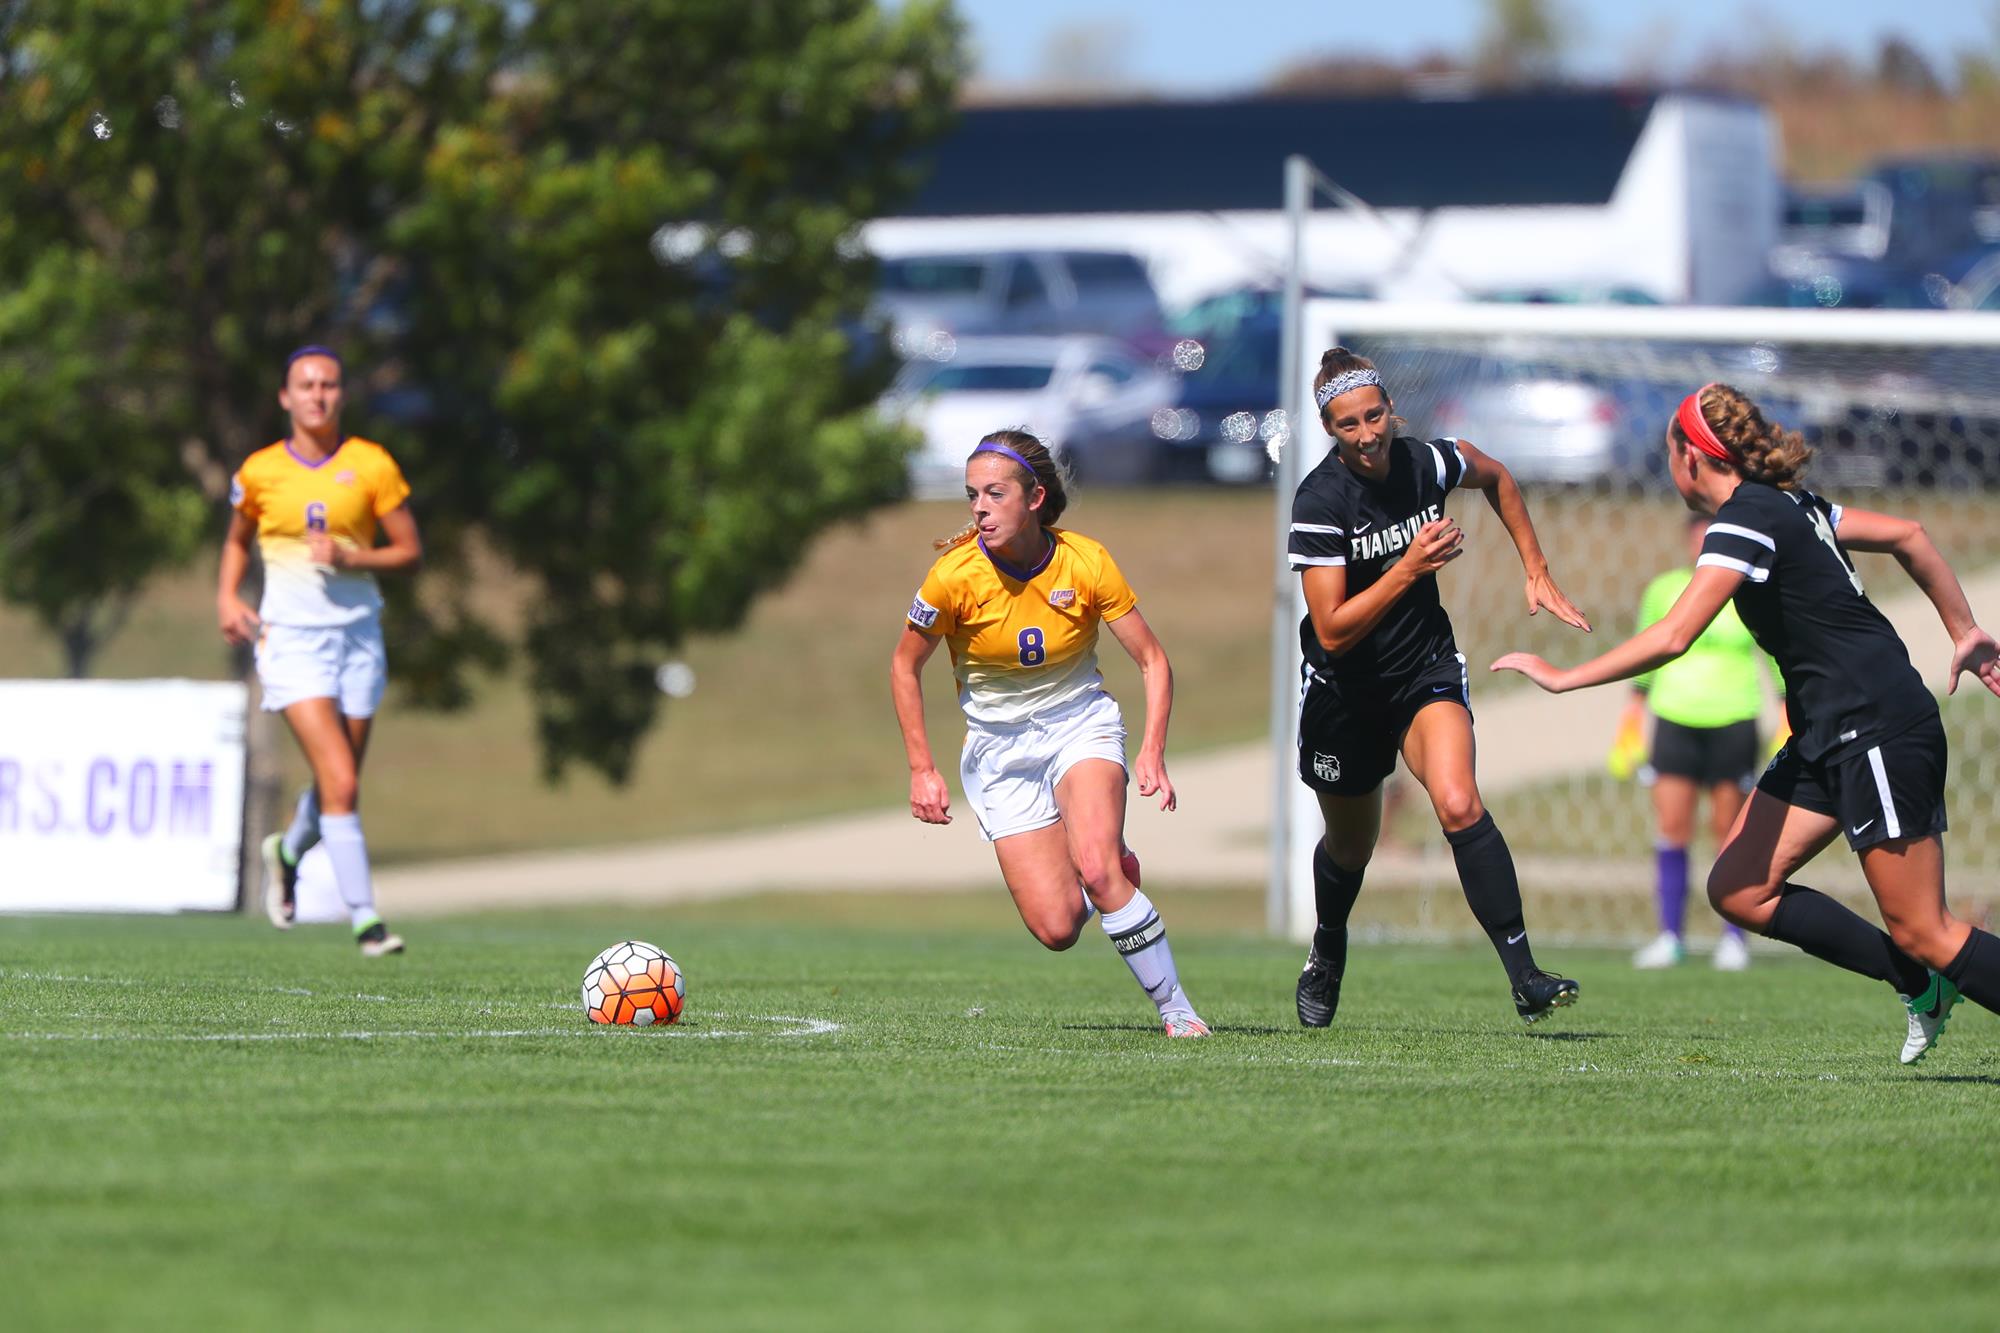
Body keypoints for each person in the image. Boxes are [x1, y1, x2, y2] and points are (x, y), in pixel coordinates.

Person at [1495, 382, 2000, 1064]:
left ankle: (1923, 964)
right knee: (1738, 887)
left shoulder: (1746, 517)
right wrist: (1963, 629)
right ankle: (1917, 983)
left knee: (1927, 928)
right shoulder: (1794, 505)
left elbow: (1675, 634)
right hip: (1829, 733)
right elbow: (1910, 535)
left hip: (1875, 727)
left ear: (1690, 456)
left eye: (1668, 448)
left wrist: (1564, 677)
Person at [1287, 348, 1590, 1028]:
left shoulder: (1429, 460)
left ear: (1391, 409)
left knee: (1458, 801)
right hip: (1345, 691)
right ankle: (1328, 948)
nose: (1366, 434)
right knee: (1350, 848)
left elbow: (1496, 473)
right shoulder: (1319, 501)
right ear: (1329, 430)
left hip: (1423, 669)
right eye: (1347, 425)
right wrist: (1408, 565)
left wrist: (1535, 566)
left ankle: (1525, 977)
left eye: (1373, 416)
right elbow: (1332, 631)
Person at [890, 430, 1208, 1037]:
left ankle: (1177, 1010)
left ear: (1034, 498)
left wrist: (1151, 751)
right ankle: (1107, 878)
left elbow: (1152, 660)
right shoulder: (952, 577)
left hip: (1078, 725)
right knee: (1058, 928)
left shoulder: (1085, 561)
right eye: (971, 496)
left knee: (1095, 864)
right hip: (1000, 751)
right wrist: (921, 768)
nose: (979, 508)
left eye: (995, 494)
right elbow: (904, 665)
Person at [217, 345, 421, 956]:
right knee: (338, 778)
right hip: (294, 642)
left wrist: (354, 556)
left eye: (328, 384)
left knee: (341, 780)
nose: (317, 395)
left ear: (342, 394)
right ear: (286, 397)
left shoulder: (371, 464)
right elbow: (235, 541)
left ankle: (285, 851)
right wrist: (227, 598)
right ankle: (366, 920)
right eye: (305, 385)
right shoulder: (259, 472)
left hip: (359, 638)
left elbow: (409, 551)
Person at [1615, 514, 1782, 972]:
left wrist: (1787, 709)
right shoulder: (1664, 590)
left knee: (1728, 830)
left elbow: (1774, 652)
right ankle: (1670, 936)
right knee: (1672, 827)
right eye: (1697, 538)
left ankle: (1734, 939)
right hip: (1674, 720)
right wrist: (1632, 713)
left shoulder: (1746, 590)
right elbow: (1647, 648)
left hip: (1733, 720)